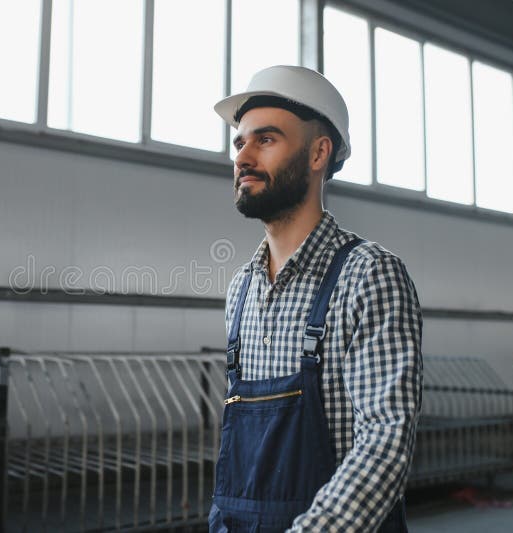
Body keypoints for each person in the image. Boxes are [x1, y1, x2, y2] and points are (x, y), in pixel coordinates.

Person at [209, 65, 423, 532]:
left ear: (318, 153)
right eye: (239, 143)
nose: (243, 156)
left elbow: (384, 443)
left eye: (265, 140)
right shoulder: (240, 290)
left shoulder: (368, 275)